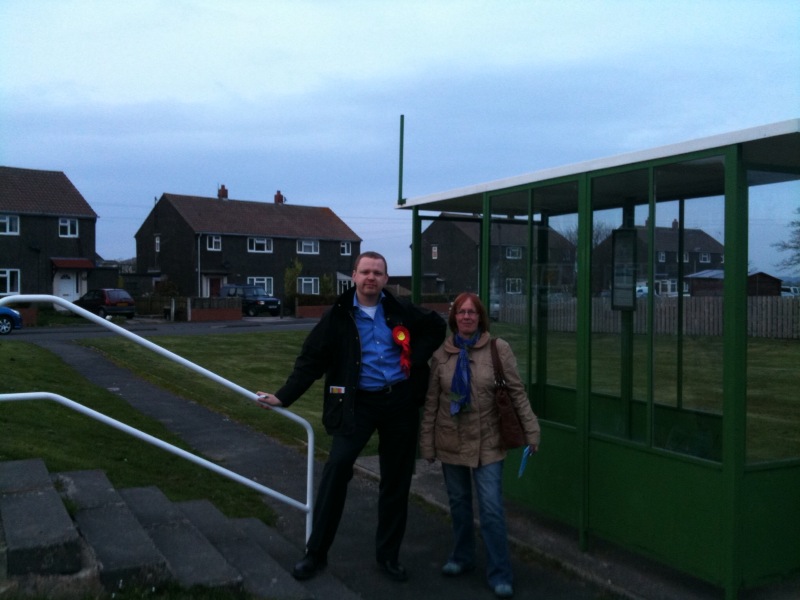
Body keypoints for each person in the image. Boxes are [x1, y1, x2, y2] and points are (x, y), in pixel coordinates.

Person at [256, 251, 446, 583]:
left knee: (396, 482)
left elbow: (435, 326)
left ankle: (388, 556)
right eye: (365, 272)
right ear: (354, 276)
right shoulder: (338, 316)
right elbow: (311, 360)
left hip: (399, 404)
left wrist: (414, 359)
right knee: (337, 469)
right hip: (358, 406)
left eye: (378, 272)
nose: (371, 277)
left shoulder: (400, 309)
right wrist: (283, 396)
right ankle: (315, 554)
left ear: (387, 279)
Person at [420, 292, 540, 599]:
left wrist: (532, 431)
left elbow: (517, 393)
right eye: (461, 312)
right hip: (450, 441)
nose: (467, 317)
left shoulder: (499, 349)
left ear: (480, 317)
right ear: (454, 318)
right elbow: (432, 403)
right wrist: (428, 446)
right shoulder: (441, 355)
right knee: (459, 505)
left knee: (491, 510)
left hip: (488, 443)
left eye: (472, 312)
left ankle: (500, 572)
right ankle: (462, 557)